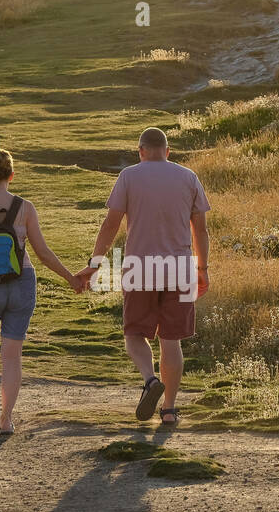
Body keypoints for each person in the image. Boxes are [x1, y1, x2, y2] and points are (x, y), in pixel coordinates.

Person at [76, 127, 210, 426]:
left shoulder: (129, 176)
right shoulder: (188, 177)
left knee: (134, 334)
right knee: (171, 340)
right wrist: (202, 269)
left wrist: (95, 264)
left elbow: (111, 224)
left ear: (141, 151)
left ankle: (150, 381)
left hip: (139, 267)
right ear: (168, 150)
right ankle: (170, 410)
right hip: (180, 268)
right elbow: (200, 229)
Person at [0, 149, 85, 433]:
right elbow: (43, 253)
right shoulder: (25, 207)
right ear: (12, 176)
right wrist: (71, 278)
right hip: (22, 283)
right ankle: (7, 420)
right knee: (12, 355)